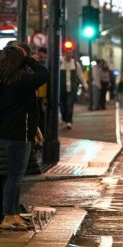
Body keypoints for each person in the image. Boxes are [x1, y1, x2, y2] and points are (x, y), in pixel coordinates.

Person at [0, 44, 49, 231]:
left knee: (11, 176)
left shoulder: (3, 81)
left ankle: (13, 214)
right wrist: (27, 58)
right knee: (15, 176)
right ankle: (9, 216)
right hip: (18, 135)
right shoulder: (22, 81)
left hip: (5, 133)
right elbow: (44, 73)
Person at [60, 54, 86, 130]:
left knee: (69, 104)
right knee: (62, 105)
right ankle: (65, 119)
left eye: (70, 54)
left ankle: (69, 121)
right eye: (67, 54)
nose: (69, 56)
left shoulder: (75, 64)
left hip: (72, 89)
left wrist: (85, 84)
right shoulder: (60, 63)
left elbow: (80, 75)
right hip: (62, 88)